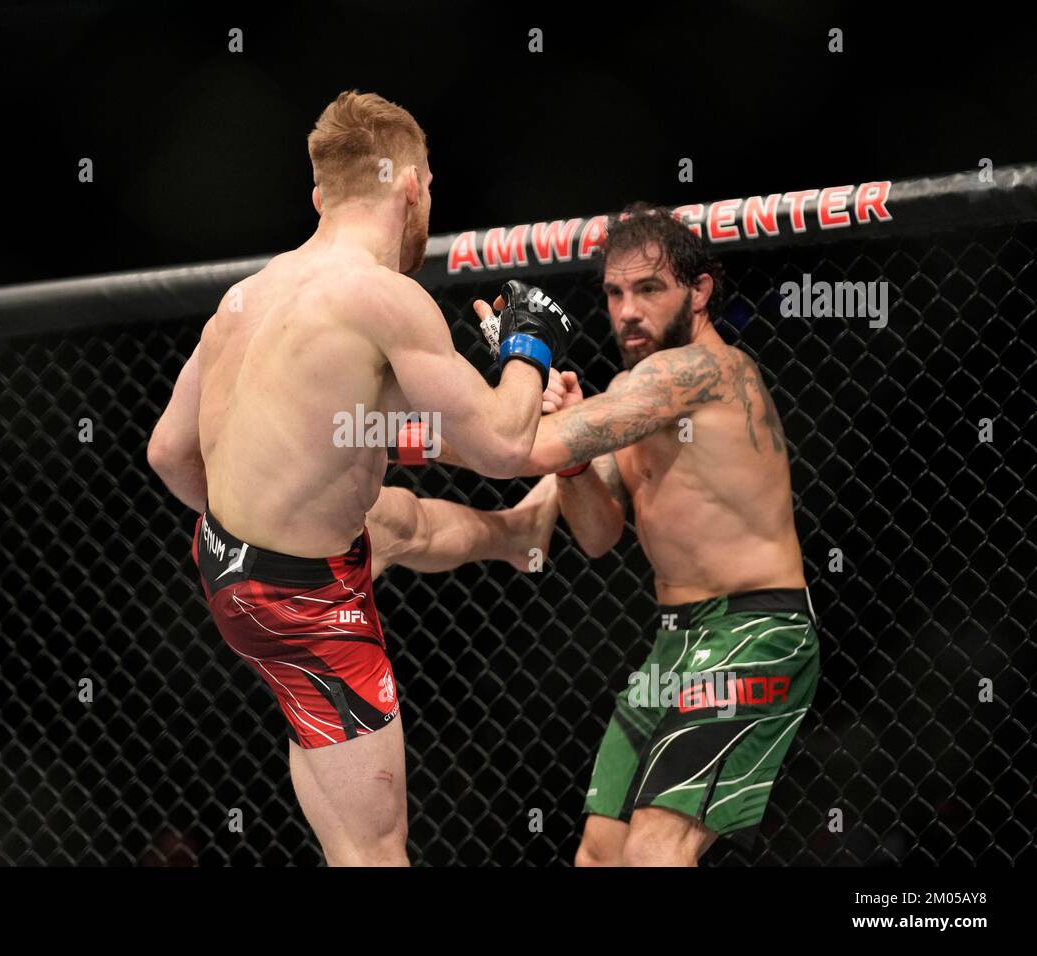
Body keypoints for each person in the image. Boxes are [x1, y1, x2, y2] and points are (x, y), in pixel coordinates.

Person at [146, 90, 574, 866]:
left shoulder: (246, 296)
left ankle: (517, 534)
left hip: (221, 560)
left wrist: (262, 528)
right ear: (411, 186)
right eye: (431, 188)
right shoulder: (385, 298)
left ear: (320, 196)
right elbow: (504, 449)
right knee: (374, 850)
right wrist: (530, 345)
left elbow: (168, 453)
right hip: (300, 605)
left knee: (389, 519)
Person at [370, 204, 820, 865]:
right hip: (675, 642)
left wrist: (385, 433)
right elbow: (597, 534)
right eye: (614, 292)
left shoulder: (699, 372)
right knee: (602, 854)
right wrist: (575, 459)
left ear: (698, 293)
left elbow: (519, 448)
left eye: (648, 290)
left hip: (754, 632)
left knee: (655, 851)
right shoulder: (630, 391)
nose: (628, 310)